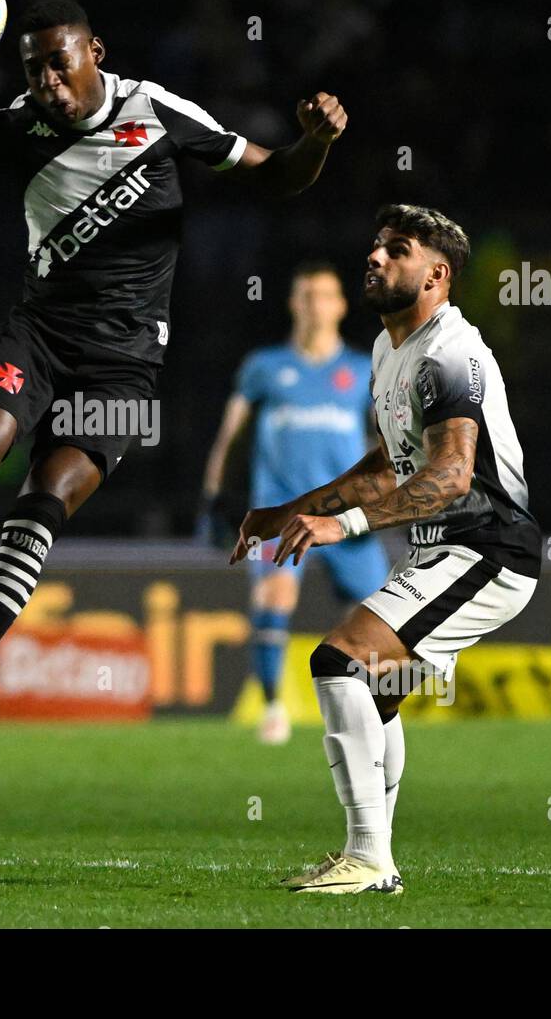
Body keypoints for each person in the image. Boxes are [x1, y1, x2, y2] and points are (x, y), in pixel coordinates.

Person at [0, 0, 349, 754]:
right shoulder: (17, 124)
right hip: (38, 332)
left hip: (126, 368)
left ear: (93, 51)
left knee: (38, 512)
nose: (46, 82)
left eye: (57, 64)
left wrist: (316, 141)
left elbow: (276, 178)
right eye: (32, 68)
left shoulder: (159, 113)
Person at [232, 205, 541, 894]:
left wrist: (344, 527)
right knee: (372, 691)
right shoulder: (386, 348)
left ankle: (369, 856)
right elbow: (387, 465)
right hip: (443, 551)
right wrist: (291, 510)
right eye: (374, 245)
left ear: (437, 274)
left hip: (487, 551)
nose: (374, 257)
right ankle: (373, 859)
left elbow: (452, 474)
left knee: (338, 660)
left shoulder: (450, 352)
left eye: (395, 250)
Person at [199, 263, 387, 743]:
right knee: (274, 599)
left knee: (377, 612)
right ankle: (273, 708)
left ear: (341, 306)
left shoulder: (361, 370)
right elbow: (230, 435)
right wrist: (214, 496)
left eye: (325, 295)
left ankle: (366, 708)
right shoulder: (264, 367)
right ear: (293, 304)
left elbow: (389, 439)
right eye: (306, 295)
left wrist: (389, 497)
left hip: (345, 513)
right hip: (280, 512)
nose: (315, 305)